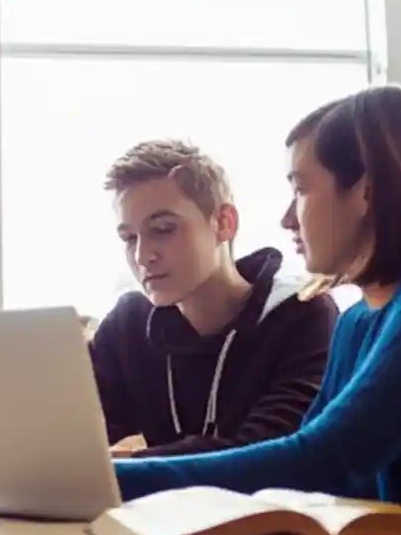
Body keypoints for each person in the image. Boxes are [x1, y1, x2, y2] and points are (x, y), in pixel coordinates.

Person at [115, 86, 401, 535]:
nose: (287, 219)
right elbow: (297, 463)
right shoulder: (356, 321)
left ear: (366, 191)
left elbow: (325, 460)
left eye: (299, 189)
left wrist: (106, 481)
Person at [91, 140, 337, 458]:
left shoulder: (302, 313)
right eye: (129, 238)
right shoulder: (127, 326)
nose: (142, 255)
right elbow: (78, 444)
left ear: (224, 223)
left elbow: (264, 455)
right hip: (164, 507)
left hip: (271, 507)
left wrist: (127, 462)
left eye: (163, 229)